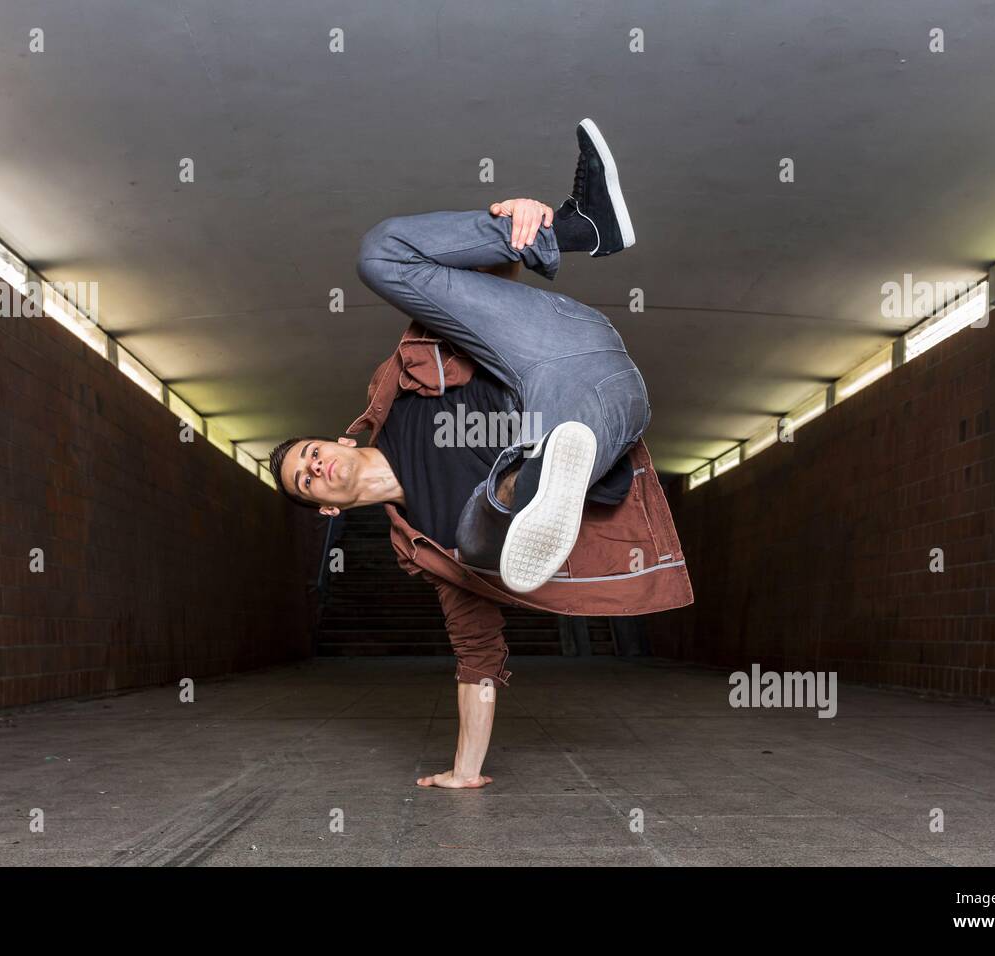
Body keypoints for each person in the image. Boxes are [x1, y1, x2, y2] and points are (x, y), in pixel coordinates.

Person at [273, 119, 690, 788]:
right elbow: (477, 658)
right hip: (601, 408)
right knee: (480, 532)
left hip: (548, 347)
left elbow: (459, 297)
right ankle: (533, 486)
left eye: (313, 452)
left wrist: (524, 227)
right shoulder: (428, 549)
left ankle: (584, 227)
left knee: (379, 253)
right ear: (326, 512)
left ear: (338, 440)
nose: (316, 465)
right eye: (306, 479)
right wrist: (466, 771)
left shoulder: (397, 390)